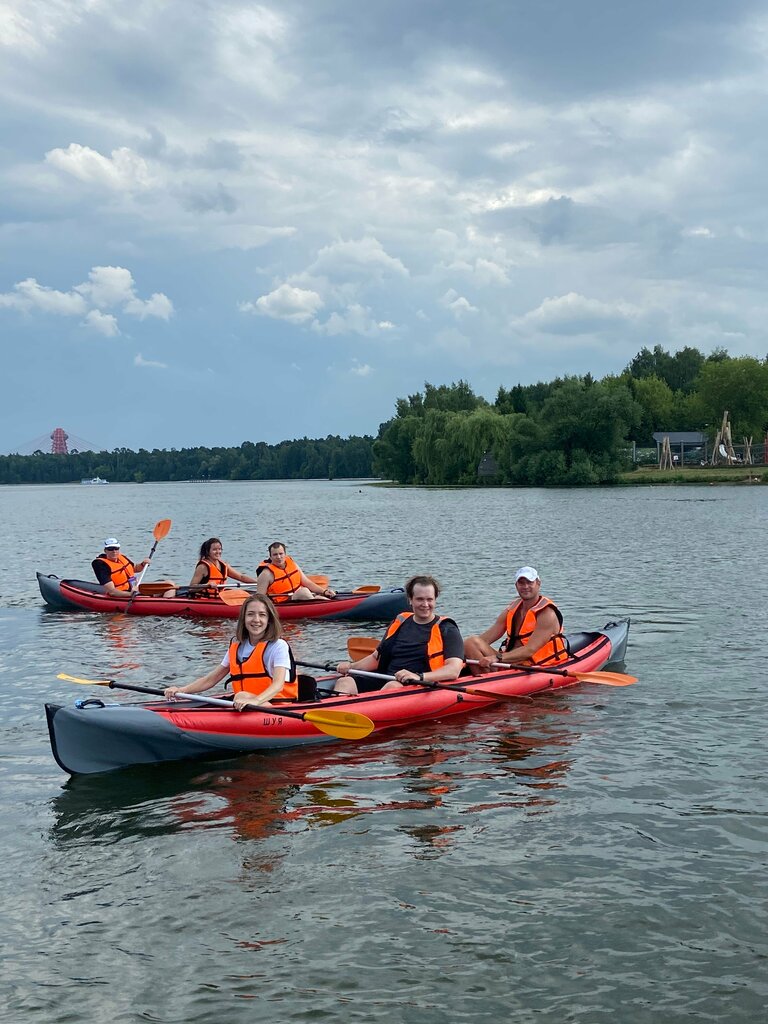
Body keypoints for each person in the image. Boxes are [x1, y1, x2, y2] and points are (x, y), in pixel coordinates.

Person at [333, 574, 464, 694]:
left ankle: (367, 713)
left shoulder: (447, 628)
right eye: (419, 599)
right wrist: (351, 666)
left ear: (435, 600)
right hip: (387, 678)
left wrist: (419, 676)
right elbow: (375, 658)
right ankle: (335, 714)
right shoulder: (401, 621)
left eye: (429, 599)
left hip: (418, 683)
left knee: (392, 686)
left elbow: (453, 670)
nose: (425, 604)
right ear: (410, 600)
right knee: (345, 681)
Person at [164, 594, 297, 709]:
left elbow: (278, 685)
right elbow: (211, 679)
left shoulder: (278, 646)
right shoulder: (237, 646)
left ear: (269, 620)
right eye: (250, 614)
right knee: (239, 696)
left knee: (240, 695)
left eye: (262, 615)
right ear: (243, 619)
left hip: (276, 708)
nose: (256, 620)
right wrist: (181, 690)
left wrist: (254, 701)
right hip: (244, 703)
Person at [463, 566, 567, 675]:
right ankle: (481, 678)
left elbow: (530, 650)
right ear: (516, 586)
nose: (525, 587)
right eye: (521, 583)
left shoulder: (547, 614)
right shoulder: (512, 609)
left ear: (538, 583)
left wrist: (497, 657)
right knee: (470, 642)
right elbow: (485, 639)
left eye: (530, 582)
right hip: (509, 662)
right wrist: (459, 655)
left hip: (535, 664)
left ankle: (484, 682)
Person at [256, 542, 336, 602]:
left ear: (285, 554)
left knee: (304, 591)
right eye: (275, 555)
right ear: (270, 556)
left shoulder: (292, 564)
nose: (279, 557)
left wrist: (324, 591)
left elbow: (307, 582)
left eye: (281, 554)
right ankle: (319, 600)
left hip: (300, 596)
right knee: (304, 591)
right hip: (282, 602)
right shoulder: (266, 574)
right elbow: (260, 598)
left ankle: (320, 598)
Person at [187, 538, 258, 594]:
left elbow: (241, 577)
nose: (218, 552)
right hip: (204, 598)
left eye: (219, 549)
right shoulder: (203, 567)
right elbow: (191, 588)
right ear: (208, 551)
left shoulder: (223, 565)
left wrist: (259, 582)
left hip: (220, 595)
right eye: (214, 550)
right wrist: (206, 585)